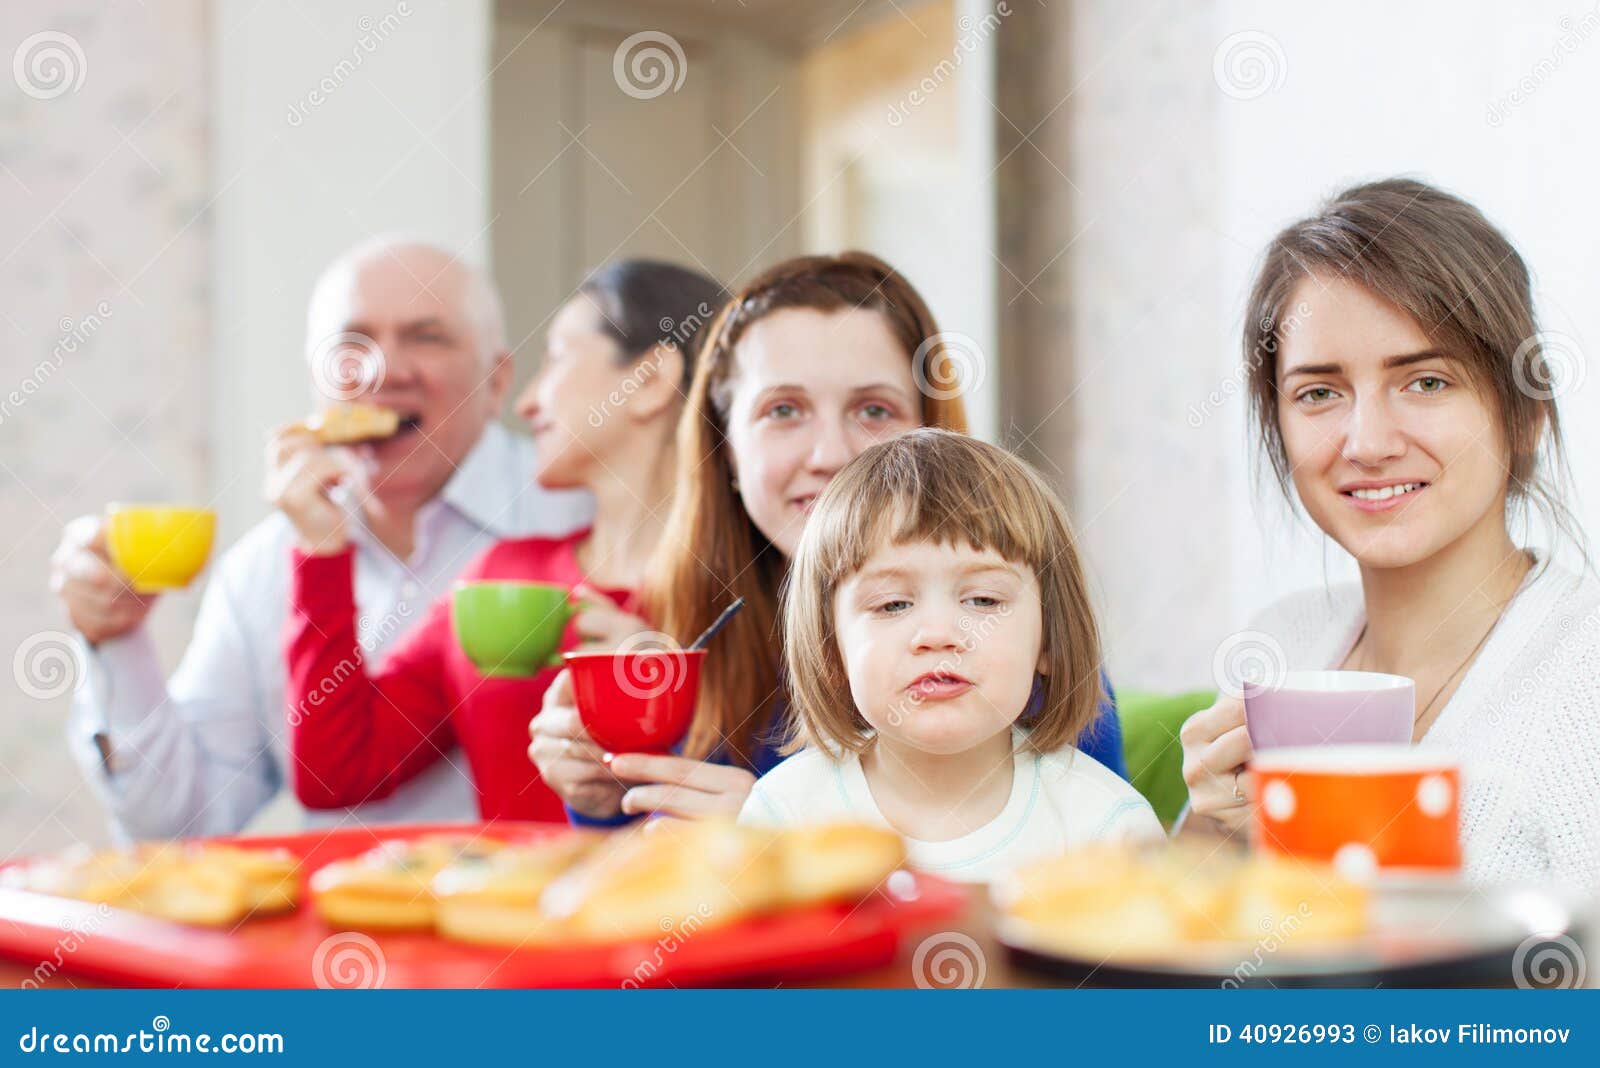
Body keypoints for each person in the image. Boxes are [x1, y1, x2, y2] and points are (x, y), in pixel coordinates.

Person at [530, 252, 1127, 824]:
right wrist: (608, 799)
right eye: (784, 410)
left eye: (873, 410)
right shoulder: (684, 651)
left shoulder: (1016, 652)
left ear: (932, 439)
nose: (831, 455)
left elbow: (1073, 896)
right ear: (727, 451)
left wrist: (789, 845)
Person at [50, 237, 591, 838]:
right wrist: (114, 641)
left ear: (496, 382)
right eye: (352, 343)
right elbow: (179, 827)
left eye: (426, 336)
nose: (383, 370)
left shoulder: (582, 516)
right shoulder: (262, 570)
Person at [1177, 178, 1600, 888]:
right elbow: (1167, 973)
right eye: (1319, 393)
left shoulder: (1581, 675)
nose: (1366, 442)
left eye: (1426, 382)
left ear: (1527, 415)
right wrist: (1210, 832)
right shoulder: (1280, 642)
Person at [280, 260, 724, 821]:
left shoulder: (757, 599)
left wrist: (667, 707)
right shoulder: (502, 580)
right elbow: (332, 773)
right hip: (503, 907)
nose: (526, 403)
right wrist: (320, 549)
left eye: (557, 359)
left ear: (650, 381)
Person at [739, 430, 1161, 881]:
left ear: (1049, 642)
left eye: (982, 600)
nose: (939, 635)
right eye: (893, 605)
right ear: (830, 650)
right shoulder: (782, 819)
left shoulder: (1109, 828)